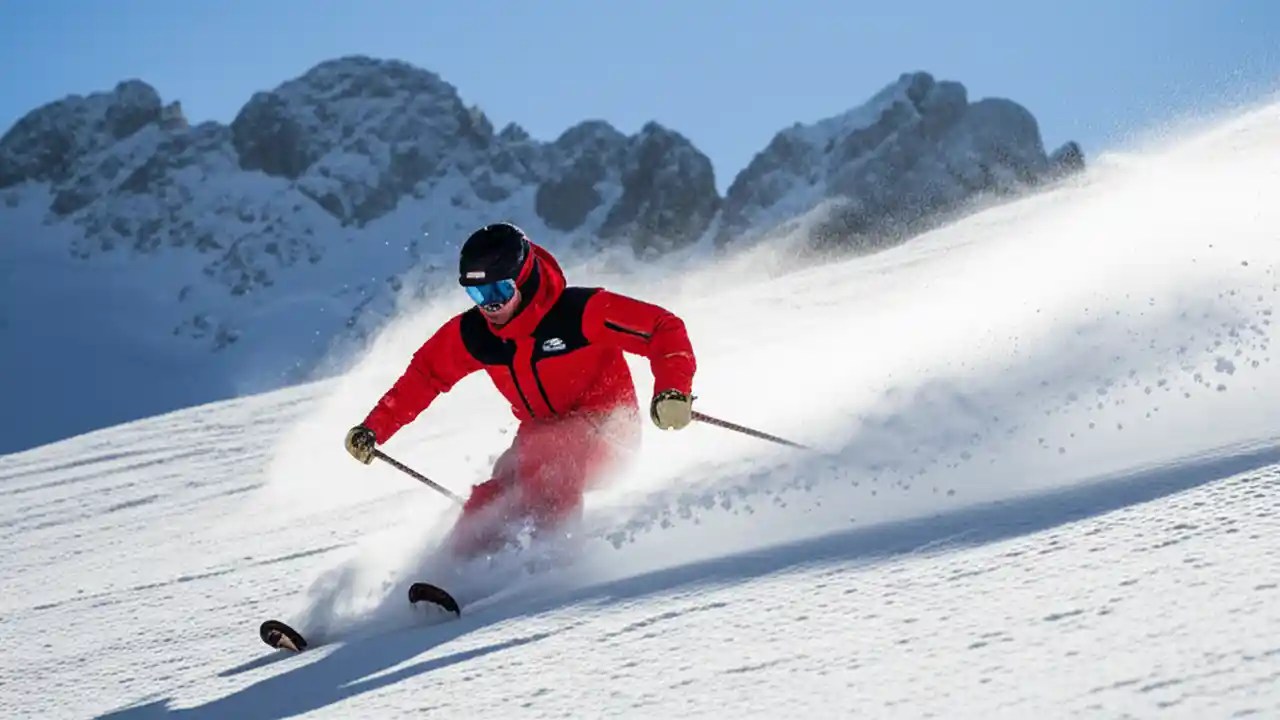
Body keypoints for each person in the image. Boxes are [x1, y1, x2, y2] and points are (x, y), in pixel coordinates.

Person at [343, 222, 697, 558]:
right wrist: (375, 427)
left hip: (610, 433)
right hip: (541, 439)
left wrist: (673, 391)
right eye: (477, 293)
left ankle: (550, 559)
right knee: (495, 492)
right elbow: (425, 376)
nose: (490, 305)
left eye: (499, 291)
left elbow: (661, 328)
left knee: (551, 452)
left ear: (523, 279)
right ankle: (453, 575)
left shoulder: (578, 313)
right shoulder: (476, 334)